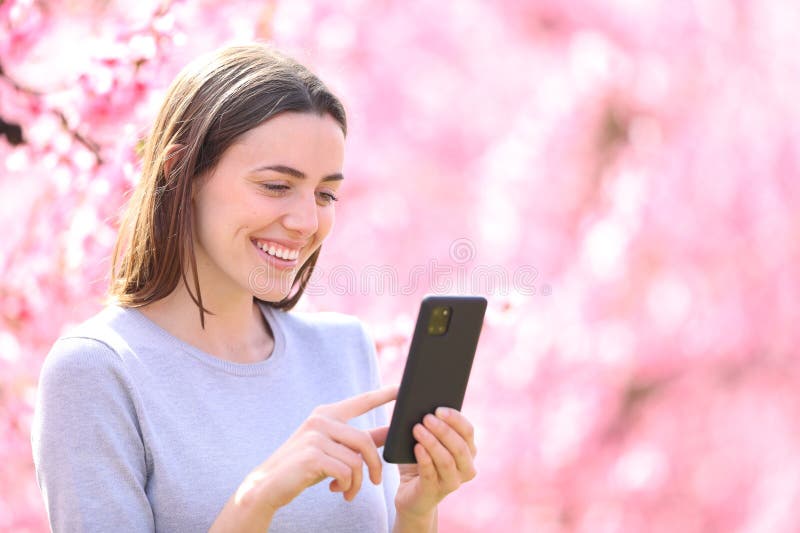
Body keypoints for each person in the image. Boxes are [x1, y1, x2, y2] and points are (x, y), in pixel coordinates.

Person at [30, 42, 478, 532]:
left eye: (325, 193)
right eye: (276, 186)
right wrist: (258, 497)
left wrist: (416, 512)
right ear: (181, 170)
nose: (307, 221)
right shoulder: (98, 370)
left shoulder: (342, 349)